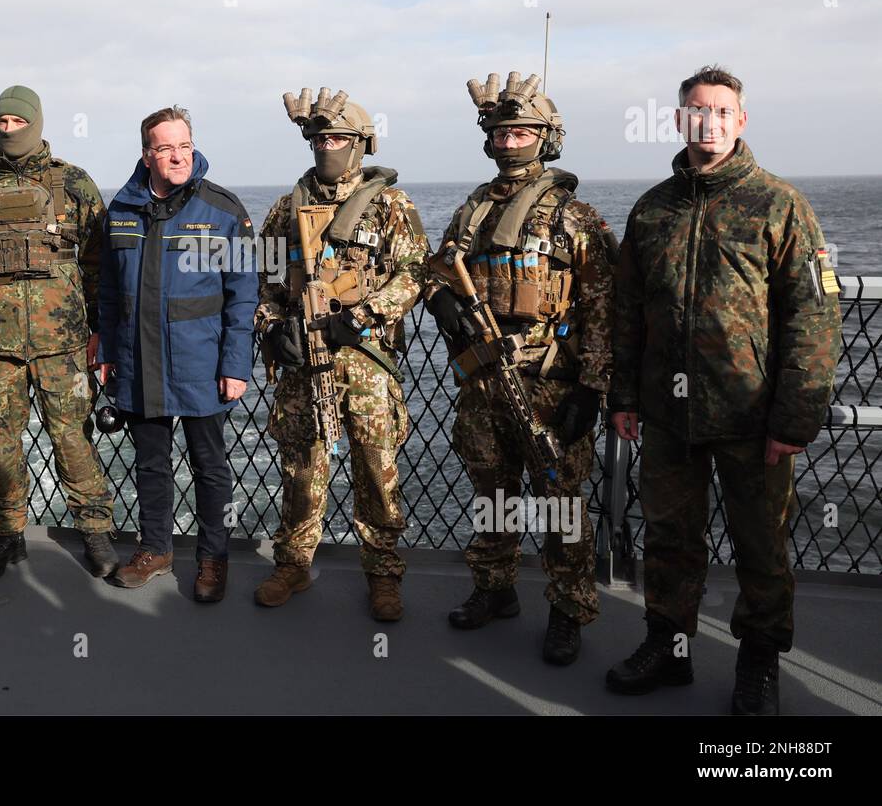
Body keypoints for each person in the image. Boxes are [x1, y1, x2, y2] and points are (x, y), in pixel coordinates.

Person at [606, 65, 842, 715]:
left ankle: (759, 662)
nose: (707, 121)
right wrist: (624, 396)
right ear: (679, 120)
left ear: (740, 121)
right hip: (666, 414)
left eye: (721, 111)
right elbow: (627, 311)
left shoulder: (778, 204)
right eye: (695, 110)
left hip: (751, 414)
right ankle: (668, 648)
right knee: (669, 538)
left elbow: (813, 317)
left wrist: (793, 419)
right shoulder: (653, 209)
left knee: (760, 546)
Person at [423, 71, 615, 664]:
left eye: (522, 131)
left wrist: (593, 387)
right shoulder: (473, 211)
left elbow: (604, 305)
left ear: (546, 136)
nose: (510, 142)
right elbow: (436, 271)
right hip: (483, 380)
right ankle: (495, 588)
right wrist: (445, 304)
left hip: (550, 386)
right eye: (501, 133)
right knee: (493, 490)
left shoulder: (574, 216)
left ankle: (567, 608)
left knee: (559, 502)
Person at [253, 87, 427, 622]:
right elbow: (263, 279)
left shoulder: (391, 206)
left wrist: (364, 316)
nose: (328, 146)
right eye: (320, 137)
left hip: (365, 359)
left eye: (338, 138)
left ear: (360, 144)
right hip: (304, 357)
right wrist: (272, 325)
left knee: (376, 468)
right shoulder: (287, 208)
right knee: (301, 465)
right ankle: (293, 562)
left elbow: (414, 274)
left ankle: (382, 573)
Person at [0, 85, 118, 581]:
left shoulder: (73, 182)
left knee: (73, 440)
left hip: (62, 345)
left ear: (36, 123)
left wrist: (99, 333)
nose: (9, 130)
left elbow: (100, 266)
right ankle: (6, 535)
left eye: (19, 122)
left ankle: (96, 530)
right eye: (2, 123)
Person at [97, 105, 256, 602]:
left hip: (201, 365)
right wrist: (103, 347)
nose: (178, 156)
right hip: (137, 362)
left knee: (209, 466)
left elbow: (243, 295)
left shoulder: (224, 211)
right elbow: (107, 289)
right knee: (151, 464)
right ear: (147, 155)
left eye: (184, 145)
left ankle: (212, 559)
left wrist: (235, 364)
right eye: (165, 148)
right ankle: (157, 549)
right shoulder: (120, 211)